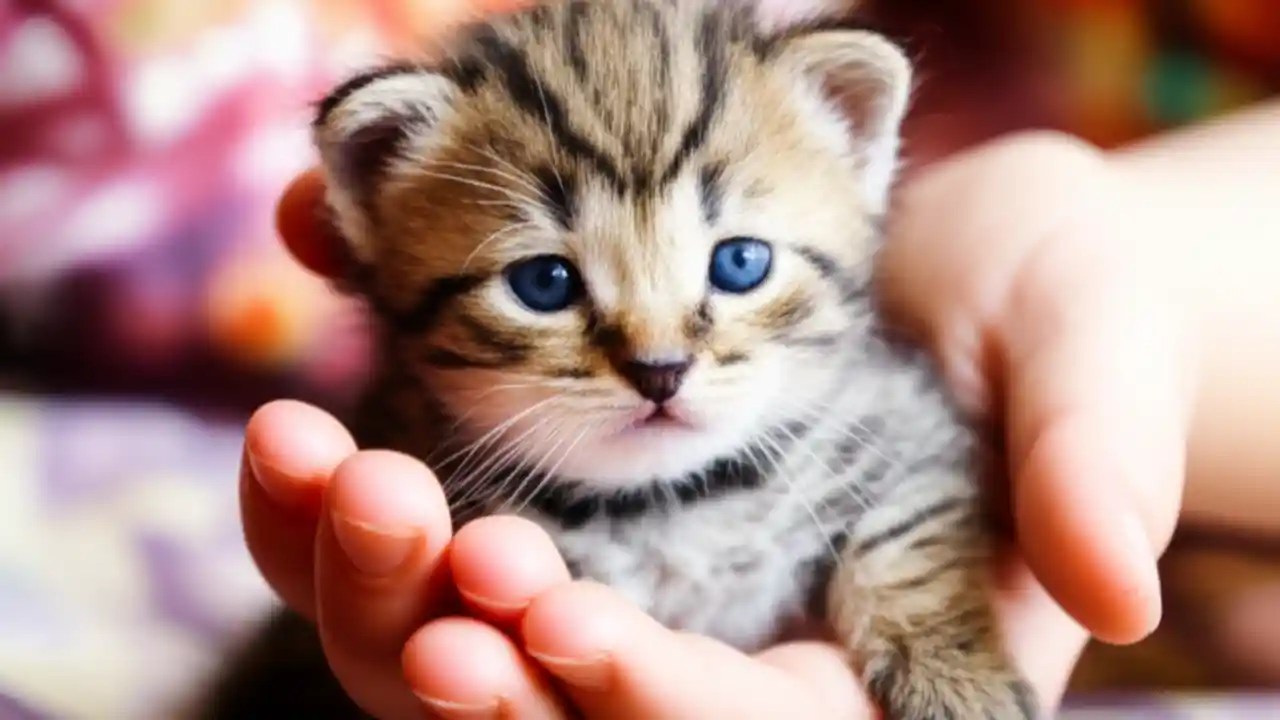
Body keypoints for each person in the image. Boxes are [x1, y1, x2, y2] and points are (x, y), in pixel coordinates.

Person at [242, 0, 1280, 716]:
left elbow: (913, 485)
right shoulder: (447, 500)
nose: (655, 353)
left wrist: (927, 623)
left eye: (734, 264)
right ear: (377, 201)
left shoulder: (848, 428)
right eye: (547, 283)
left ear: (856, 145)